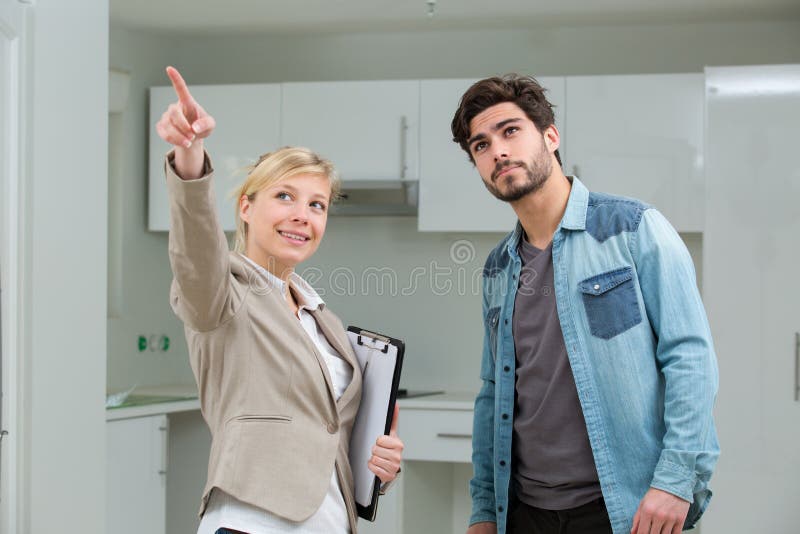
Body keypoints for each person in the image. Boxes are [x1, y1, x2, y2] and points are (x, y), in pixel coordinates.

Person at [451, 75, 719, 534]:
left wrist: (675, 482)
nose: (497, 151)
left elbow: (689, 358)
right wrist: (484, 509)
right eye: (481, 145)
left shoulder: (634, 229)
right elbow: (493, 391)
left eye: (510, 130)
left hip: (626, 508)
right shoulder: (498, 266)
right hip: (524, 513)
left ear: (550, 137)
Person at [155, 66, 403, 534]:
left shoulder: (322, 316)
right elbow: (196, 247)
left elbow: (327, 437)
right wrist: (190, 155)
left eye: (317, 204)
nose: (301, 216)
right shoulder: (221, 291)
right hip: (251, 523)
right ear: (246, 207)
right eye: (285, 196)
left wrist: (379, 463)